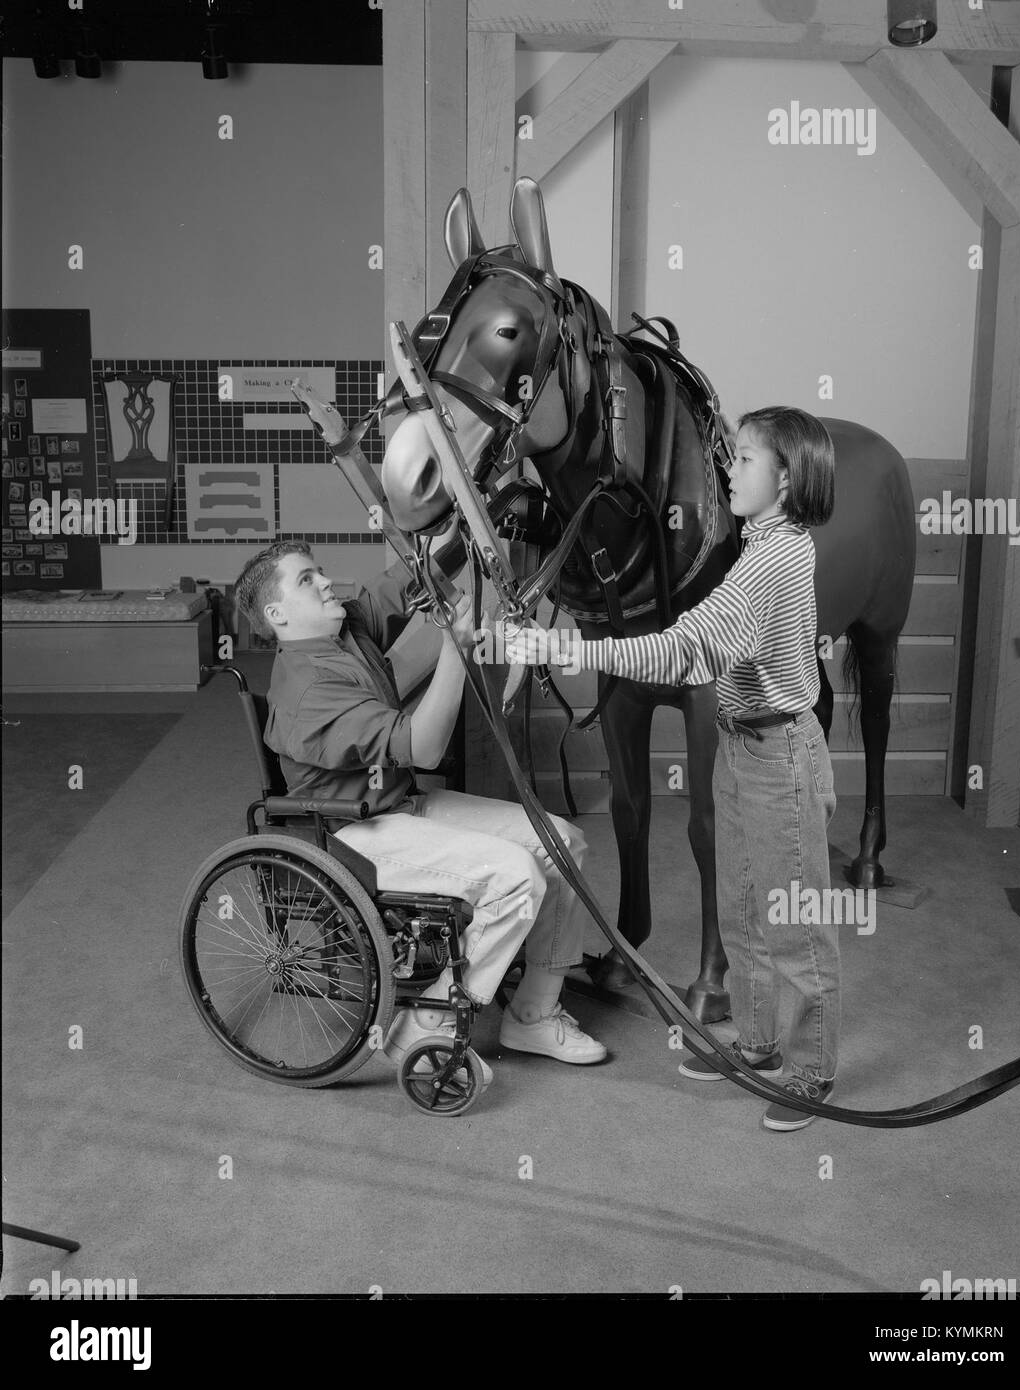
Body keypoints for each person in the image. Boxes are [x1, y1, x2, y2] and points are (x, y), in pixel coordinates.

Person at [503, 406, 838, 1130]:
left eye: (745, 459)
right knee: (743, 908)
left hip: (781, 755)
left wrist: (577, 651)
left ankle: (810, 1074)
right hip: (744, 742)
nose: (730, 469)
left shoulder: (776, 560)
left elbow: (689, 649)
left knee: (796, 926)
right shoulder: (761, 545)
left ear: (786, 478)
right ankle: (756, 1044)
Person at [232, 539, 606, 1095]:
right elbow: (425, 746)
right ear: (277, 614)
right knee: (517, 876)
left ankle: (533, 1015)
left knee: (563, 843)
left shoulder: (345, 627)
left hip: (399, 802)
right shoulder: (307, 689)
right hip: (356, 832)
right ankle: (425, 1021)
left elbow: (416, 573)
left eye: (320, 572)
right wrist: (456, 649)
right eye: (307, 580)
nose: (326, 582)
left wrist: (467, 526)